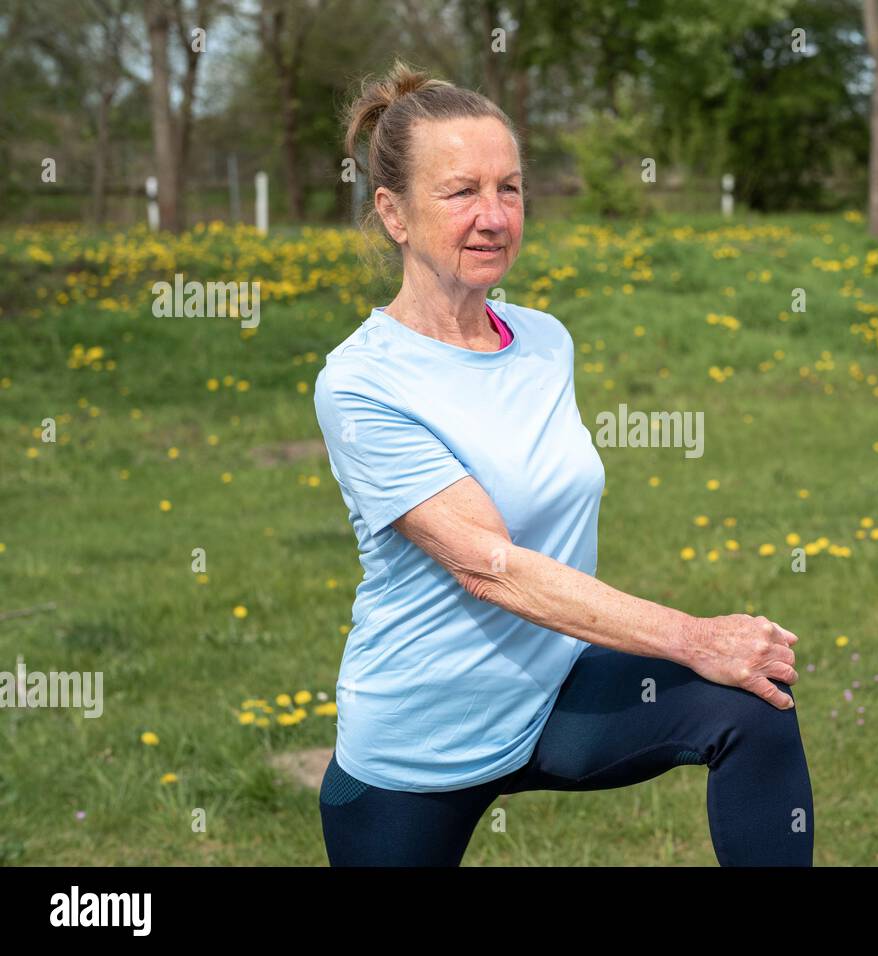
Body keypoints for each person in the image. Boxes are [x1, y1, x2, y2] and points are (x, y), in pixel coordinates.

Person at [313, 59, 814, 866]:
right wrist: (693, 636)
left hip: (553, 697)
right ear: (394, 213)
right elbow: (491, 568)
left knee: (753, 706)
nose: (493, 216)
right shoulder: (361, 383)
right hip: (419, 744)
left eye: (509, 189)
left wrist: (707, 655)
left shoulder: (545, 340)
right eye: (461, 192)